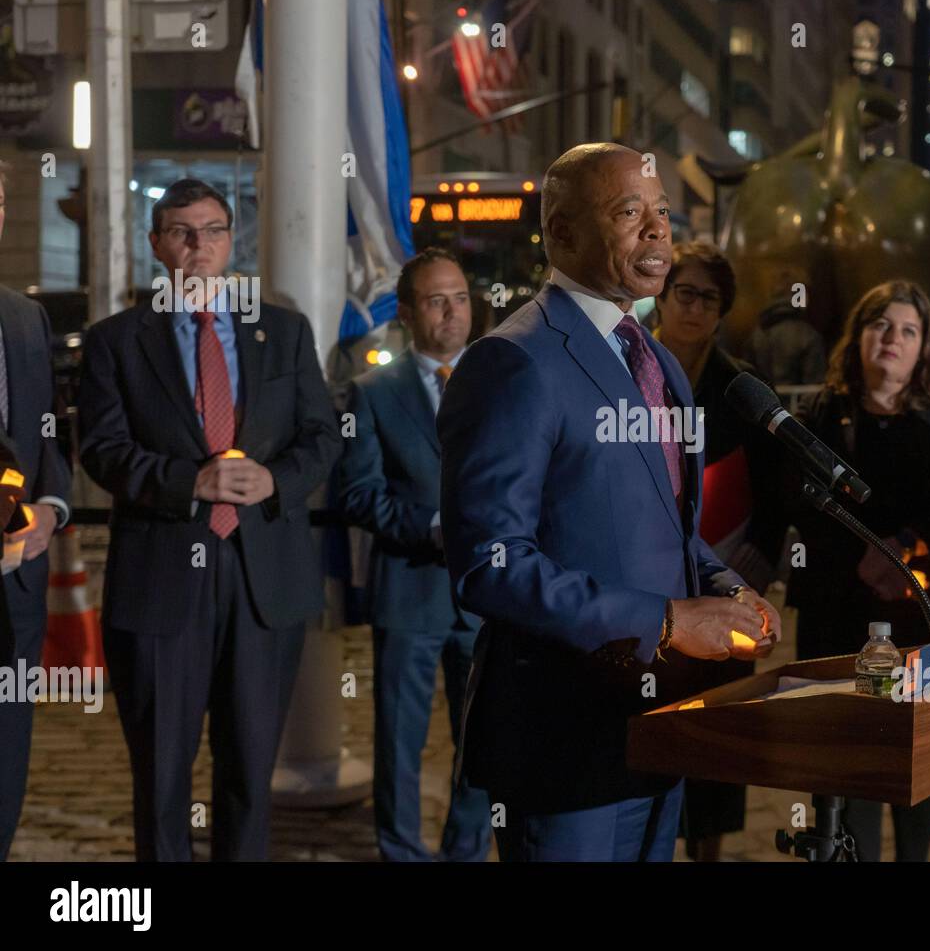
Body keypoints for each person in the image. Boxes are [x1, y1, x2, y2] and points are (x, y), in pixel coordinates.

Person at [437, 142, 781, 862]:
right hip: (565, 743)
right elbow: (487, 565)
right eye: (631, 214)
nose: (660, 232)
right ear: (562, 233)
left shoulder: (656, 362)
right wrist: (663, 620)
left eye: (662, 213)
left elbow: (670, 526)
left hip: (662, 728)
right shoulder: (513, 362)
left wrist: (727, 587)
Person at [78, 178, 342, 861]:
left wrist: (275, 480)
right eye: (181, 231)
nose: (199, 245)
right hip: (162, 582)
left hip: (265, 585)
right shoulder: (114, 342)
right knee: (162, 777)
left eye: (214, 230)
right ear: (156, 242)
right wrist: (187, 482)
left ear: (232, 240)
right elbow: (101, 451)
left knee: (251, 772)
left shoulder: (282, 331)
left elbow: (322, 435)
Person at [786, 279, 930, 861]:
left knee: (921, 752)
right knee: (846, 755)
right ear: (859, 335)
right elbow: (802, 502)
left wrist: (902, 550)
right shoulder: (826, 411)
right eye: (880, 325)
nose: (893, 339)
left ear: (925, 343)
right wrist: (861, 556)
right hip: (841, 610)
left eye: (908, 330)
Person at [337, 247, 491, 862]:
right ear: (406, 312)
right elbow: (357, 493)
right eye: (436, 300)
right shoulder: (373, 393)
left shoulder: (500, 379)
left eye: (460, 297)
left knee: (481, 741)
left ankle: (466, 852)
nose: (452, 313)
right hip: (408, 592)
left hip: (487, 597)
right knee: (399, 744)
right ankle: (400, 852)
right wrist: (431, 527)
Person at [651, 240, 786, 861]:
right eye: (686, 292)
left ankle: (706, 849)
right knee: (651, 727)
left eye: (710, 298)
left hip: (726, 585)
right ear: (663, 293)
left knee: (719, 734)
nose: (695, 308)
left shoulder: (741, 389)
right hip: (649, 590)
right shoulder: (628, 368)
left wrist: (743, 579)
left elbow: (777, 495)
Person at [0, 161, 73, 861]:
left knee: (5, 766)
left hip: (14, 587)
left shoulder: (25, 317)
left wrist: (51, 507)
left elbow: (48, 432)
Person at [746, 289, 828, 387]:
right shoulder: (807, 334)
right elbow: (814, 385)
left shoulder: (756, 335)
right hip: (797, 401)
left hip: (765, 401)